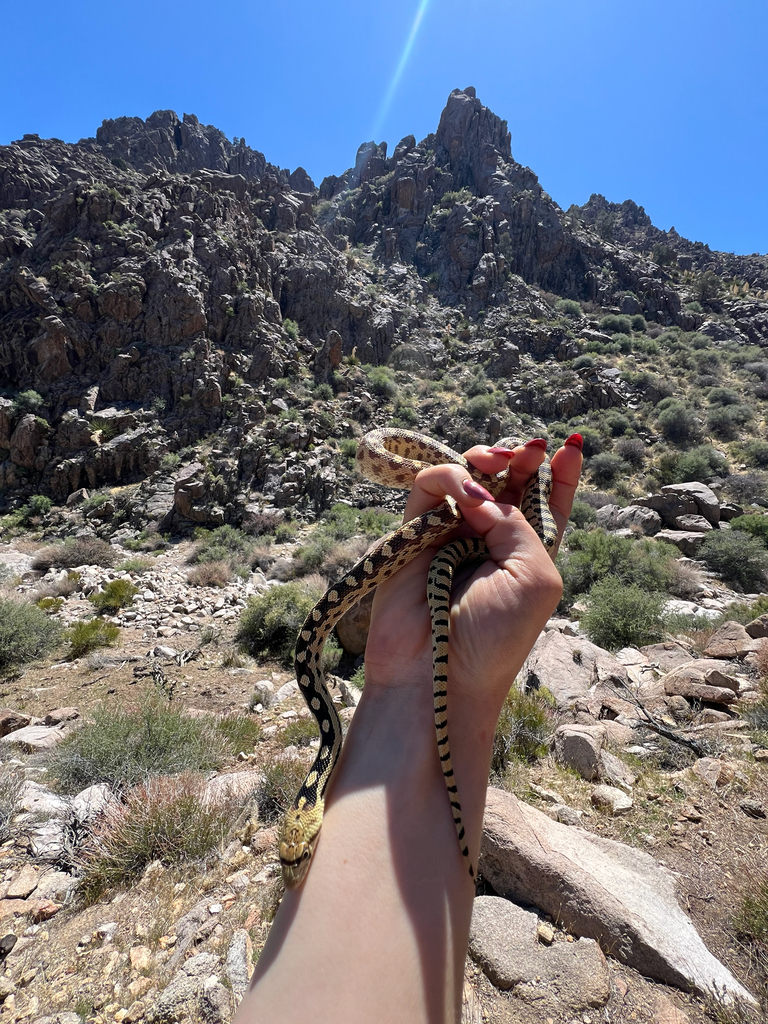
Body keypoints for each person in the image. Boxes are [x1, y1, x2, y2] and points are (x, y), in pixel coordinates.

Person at [234, 435, 584, 1024]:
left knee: (473, 497)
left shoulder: (327, 754)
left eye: (297, 855)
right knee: (474, 504)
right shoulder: (324, 748)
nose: (299, 869)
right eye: (301, 858)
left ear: (307, 823)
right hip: (435, 673)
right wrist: (424, 687)